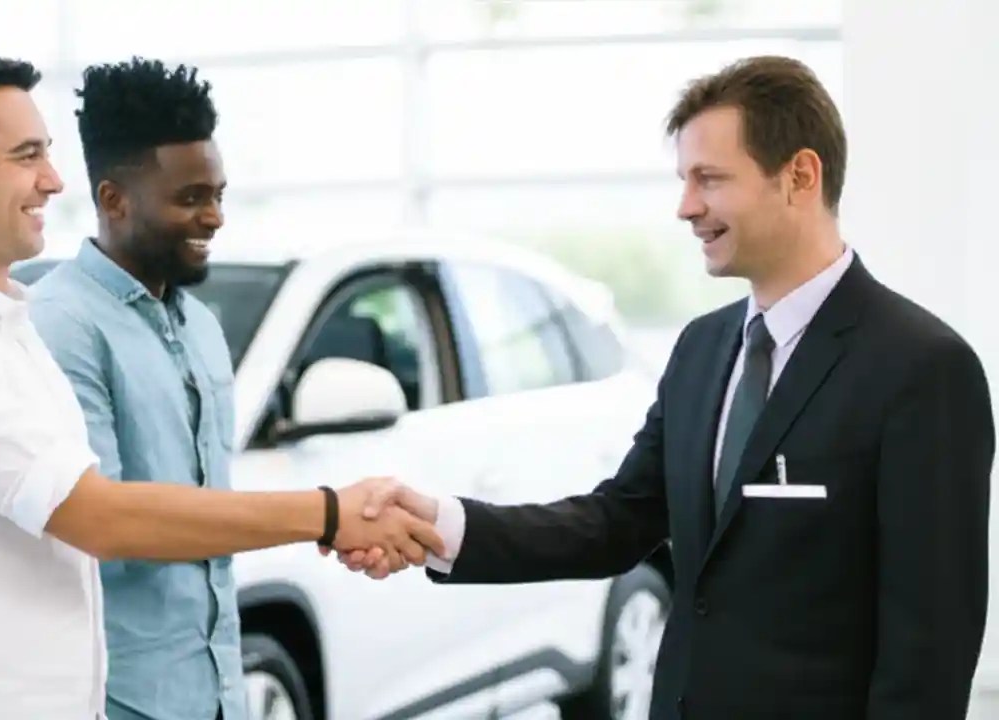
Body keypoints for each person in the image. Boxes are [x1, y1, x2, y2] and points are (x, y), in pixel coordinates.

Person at [341, 55, 995, 719]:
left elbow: (931, 648)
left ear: (800, 175)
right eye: (684, 180)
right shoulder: (701, 350)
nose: (685, 208)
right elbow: (618, 521)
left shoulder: (922, 369)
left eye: (708, 179)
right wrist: (441, 525)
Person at [0, 55, 442, 720]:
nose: (56, 181)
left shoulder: (7, 326)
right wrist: (328, 512)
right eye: (26, 155)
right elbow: (100, 516)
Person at [27, 58, 242, 720]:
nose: (214, 218)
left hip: (215, 693)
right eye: (190, 199)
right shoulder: (59, 325)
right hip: (117, 700)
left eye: (218, 194)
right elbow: (108, 521)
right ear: (114, 199)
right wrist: (320, 515)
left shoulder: (200, 325)